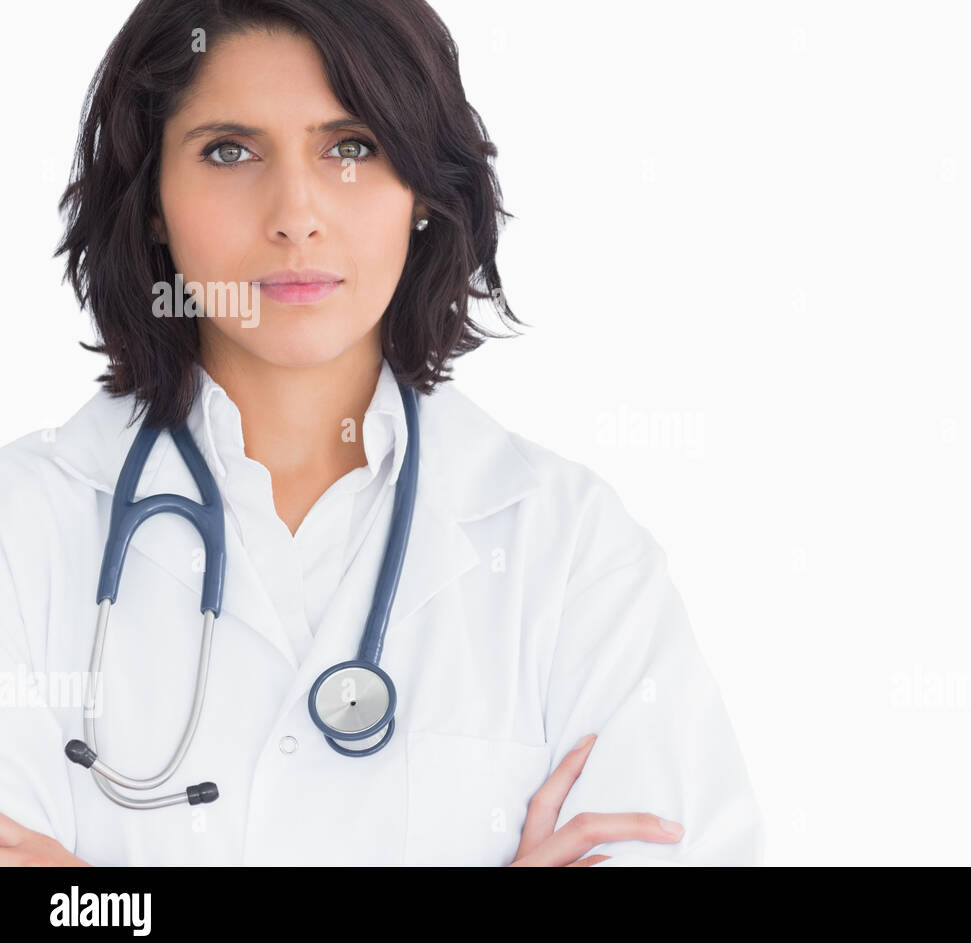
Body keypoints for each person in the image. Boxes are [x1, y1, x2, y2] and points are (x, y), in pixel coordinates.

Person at [0, 0, 763, 867]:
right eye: (229, 151)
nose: (296, 212)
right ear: (151, 205)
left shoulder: (570, 552)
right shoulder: (22, 531)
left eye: (351, 147)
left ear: (423, 192)